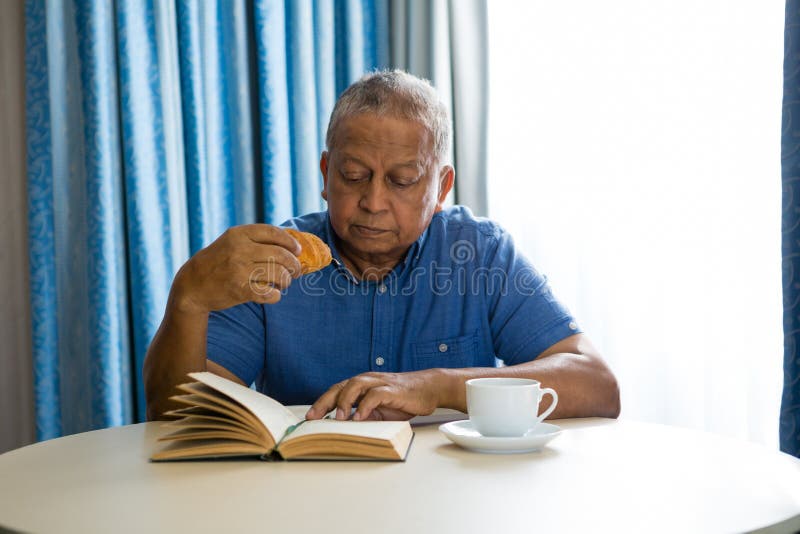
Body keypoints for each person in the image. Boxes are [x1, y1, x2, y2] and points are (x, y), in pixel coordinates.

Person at [143, 70, 620, 423]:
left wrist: (438, 386)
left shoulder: (480, 253)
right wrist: (187, 299)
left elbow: (596, 383)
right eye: (354, 176)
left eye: (402, 181)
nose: (373, 202)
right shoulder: (274, 259)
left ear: (441, 188)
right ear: (326, 174)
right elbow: (179, 416)